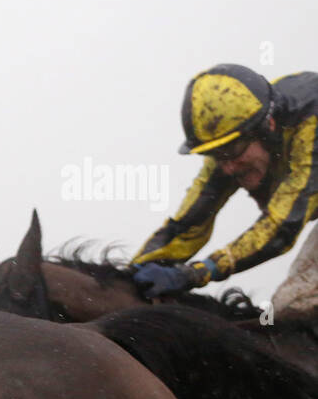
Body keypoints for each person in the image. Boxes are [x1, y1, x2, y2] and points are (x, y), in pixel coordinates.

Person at [132, 64, 318, 307]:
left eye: (231, 151)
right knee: (290, 306)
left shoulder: (311, 126)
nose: (228, 168)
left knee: (295, 304)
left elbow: (282, 227)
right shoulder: (238, 140)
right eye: (216, 155)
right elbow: (189, 223)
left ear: (268, 126)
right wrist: (136, 270)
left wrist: (198, 272)